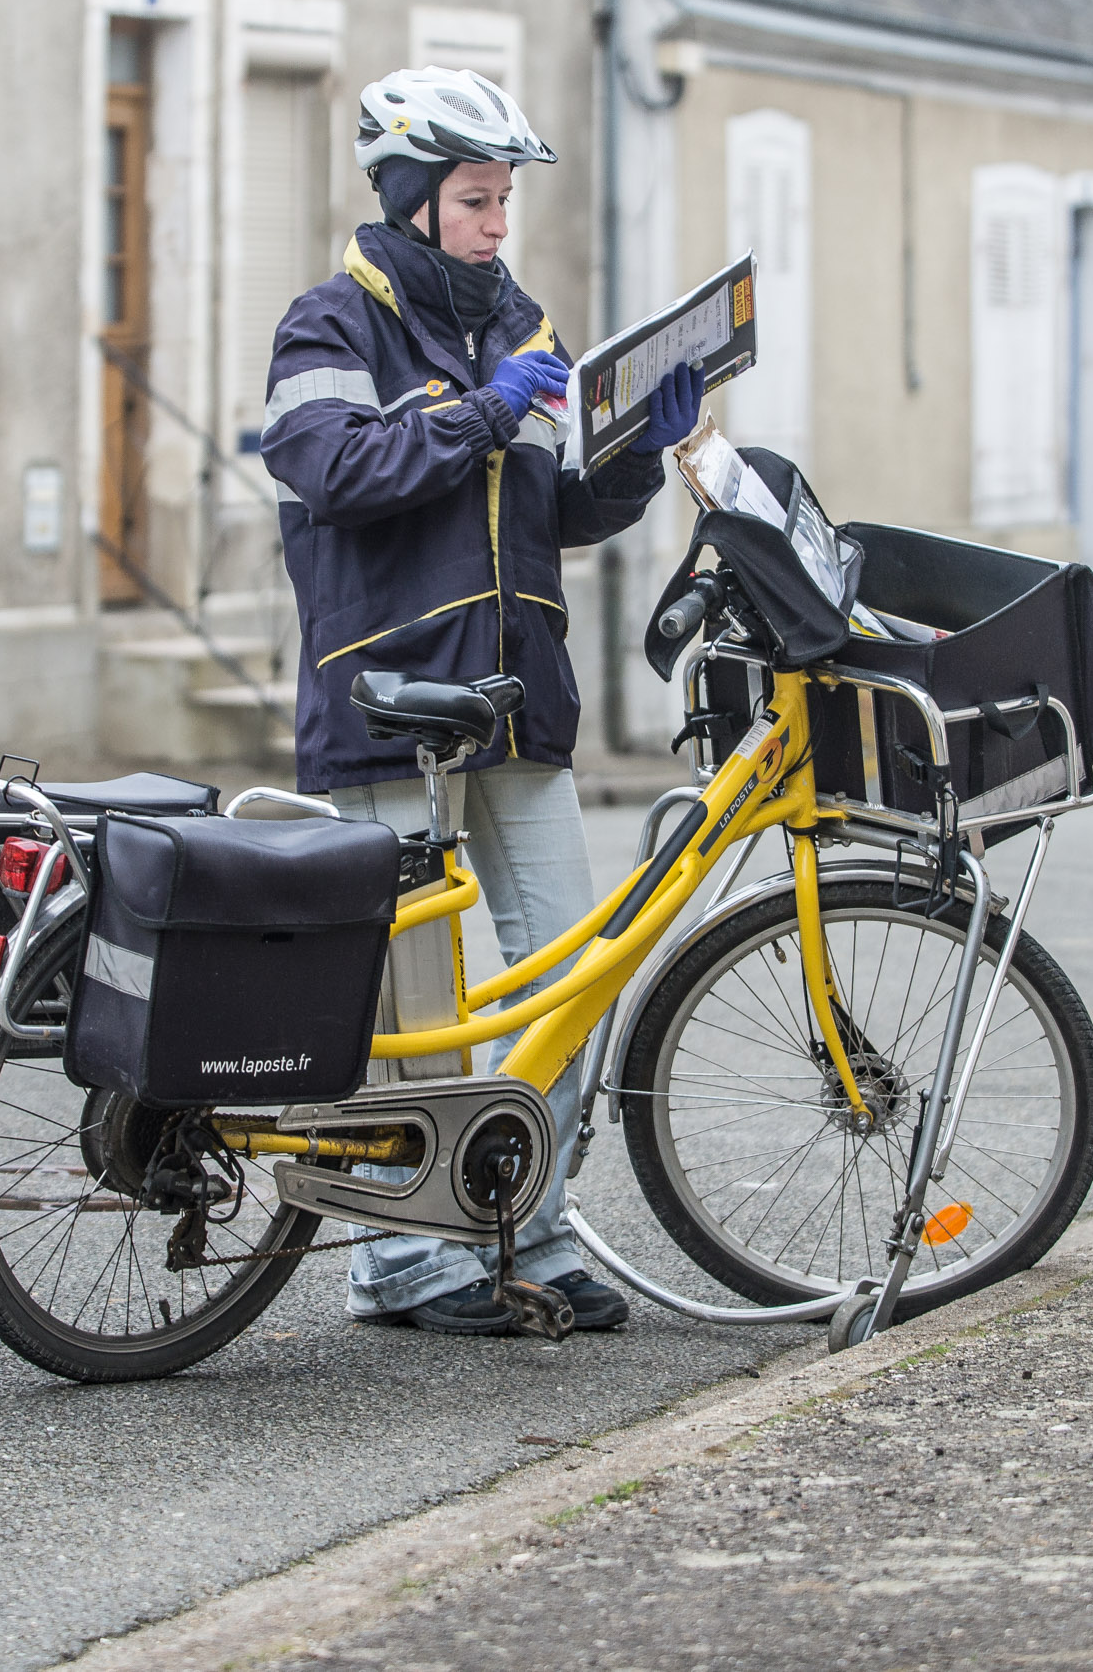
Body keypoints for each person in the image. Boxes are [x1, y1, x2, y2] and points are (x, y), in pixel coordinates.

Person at [259, 66, 704, 1337]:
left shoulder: (526, 328)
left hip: (517, 698)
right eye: (474, 198)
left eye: (505, 199)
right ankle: (404, 1263)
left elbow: (556, 508)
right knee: (423, 1016)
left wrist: (631, 460)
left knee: (577, 973)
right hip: (394, 702)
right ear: (408, 199)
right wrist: (476, 414)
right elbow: (332, 468)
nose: (499, 223)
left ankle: (528, 1223)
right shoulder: (328, 324)